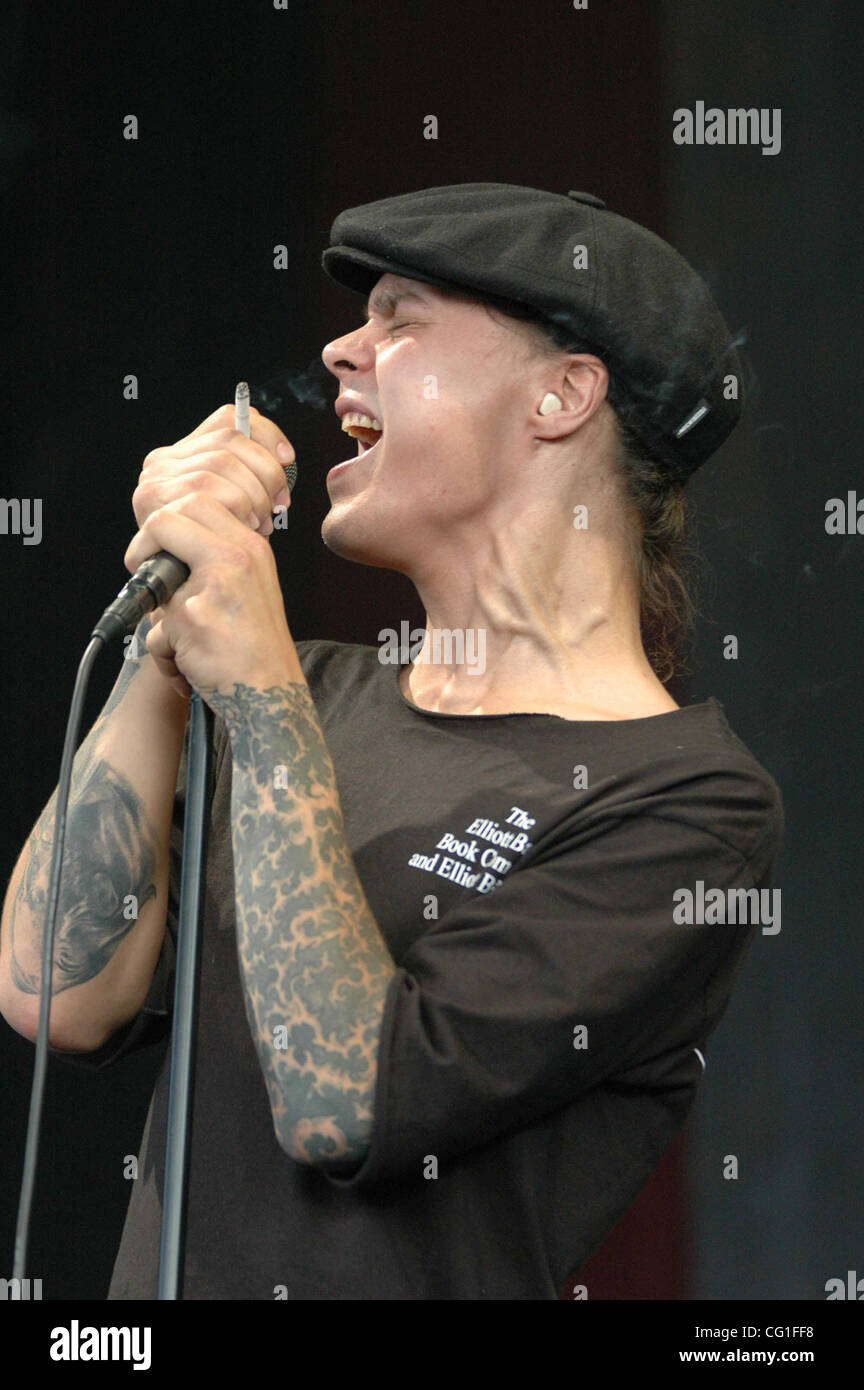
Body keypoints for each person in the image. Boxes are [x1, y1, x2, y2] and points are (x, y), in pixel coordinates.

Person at [0, 184, 783, 1300]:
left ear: (562, 394)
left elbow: (346, 1106)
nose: (340, 350)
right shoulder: (305, 685)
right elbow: (55, 996)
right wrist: (164, 652)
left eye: (401, 318)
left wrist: (259, 693)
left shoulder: (688, 801)